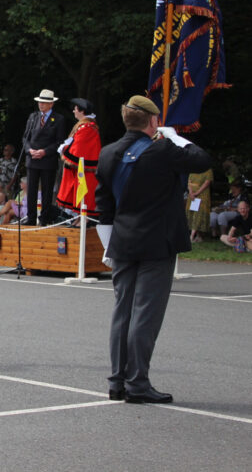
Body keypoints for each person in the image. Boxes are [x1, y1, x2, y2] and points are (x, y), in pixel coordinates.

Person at [95, 95, 210, 404]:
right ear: (153, 121)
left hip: (121, 241)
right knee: (145, 314)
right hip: (157, 242)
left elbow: (103, 208)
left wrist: (108, 247)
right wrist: (175, 137)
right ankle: (137, 383)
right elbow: (201, 159)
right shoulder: (163, 150)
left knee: (122, 312)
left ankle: (117, 381)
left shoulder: (107, 154)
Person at [24, 89, 67, 225]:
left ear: (51, 104)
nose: (41, 104)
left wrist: (45, 151)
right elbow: (25, 137)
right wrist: (29, 150)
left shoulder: (59, 119)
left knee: (47, 191)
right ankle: (31, 218)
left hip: (47, 159)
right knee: (31, 190)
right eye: (40, 102)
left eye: (44, 102)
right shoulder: (33, 117)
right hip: (32, 158)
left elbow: (60, 141)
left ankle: (44, 218)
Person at [56, 98, 101, 216]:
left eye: (75, 109)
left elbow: (78, 151)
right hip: (80, 169)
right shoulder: (84, 126)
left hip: (84, 171)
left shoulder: (87, 128)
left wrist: (64, 150)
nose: (73, 111)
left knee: (83, 194)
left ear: (82, 111)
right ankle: (79, 217)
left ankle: (83, 218)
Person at [186, 168, 213, 243]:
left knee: (199, 215)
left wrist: (197, 193)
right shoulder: (193, 170)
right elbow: (189, 182)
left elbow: (207, 183)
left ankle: (192, 236)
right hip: (192, 196)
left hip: (202, 195)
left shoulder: (208, 170)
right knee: (193, 214)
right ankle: (197, 235)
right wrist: (191, 192)